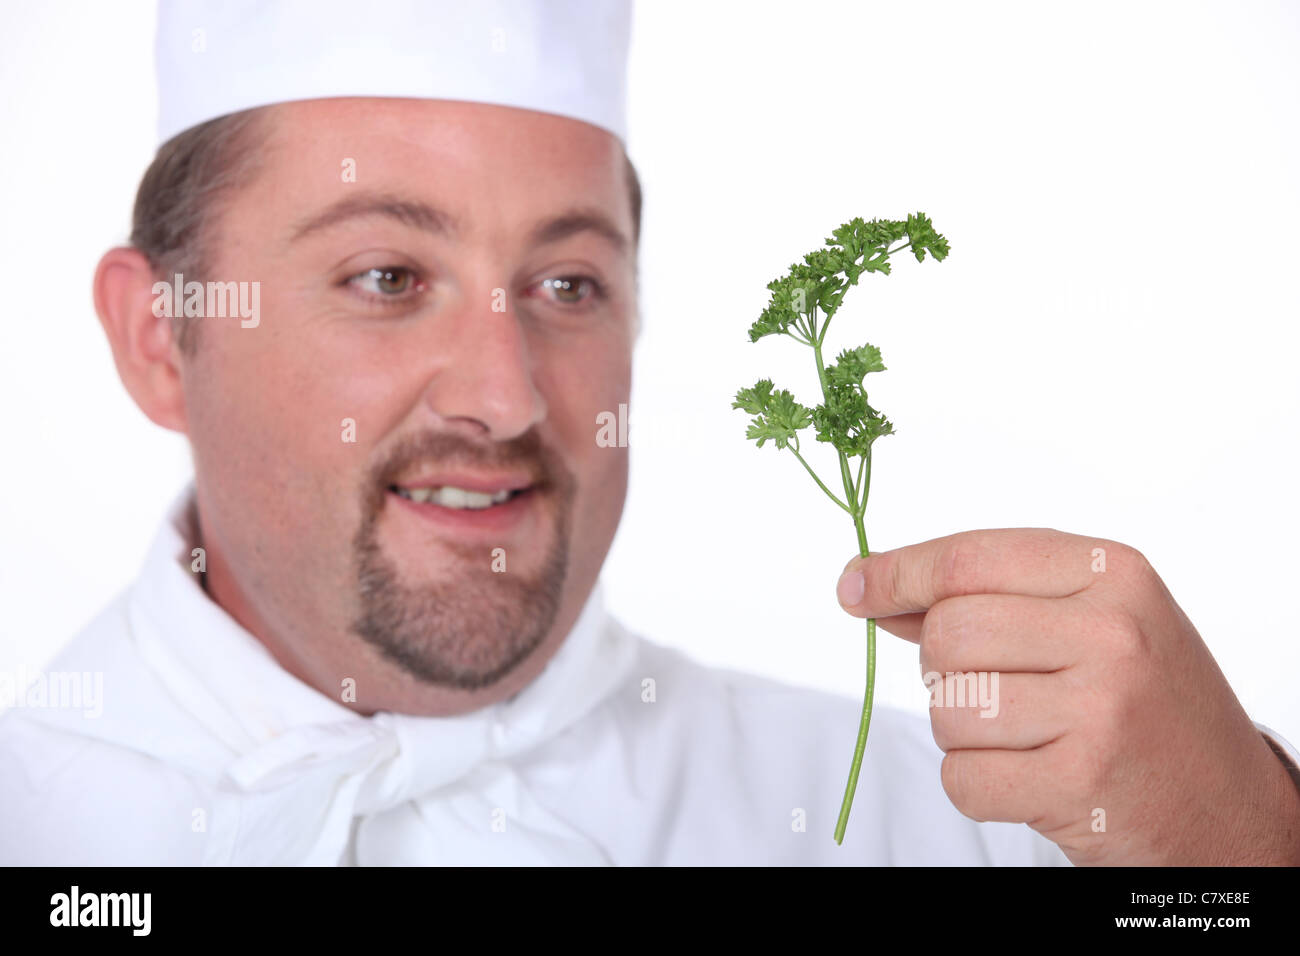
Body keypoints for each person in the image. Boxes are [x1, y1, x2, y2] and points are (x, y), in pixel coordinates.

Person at [2, 0, 1297, 866]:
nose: (504, 399)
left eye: (569, 286)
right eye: (388, 279)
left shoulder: (933, 826)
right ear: (162, 339)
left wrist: (1246, 841)